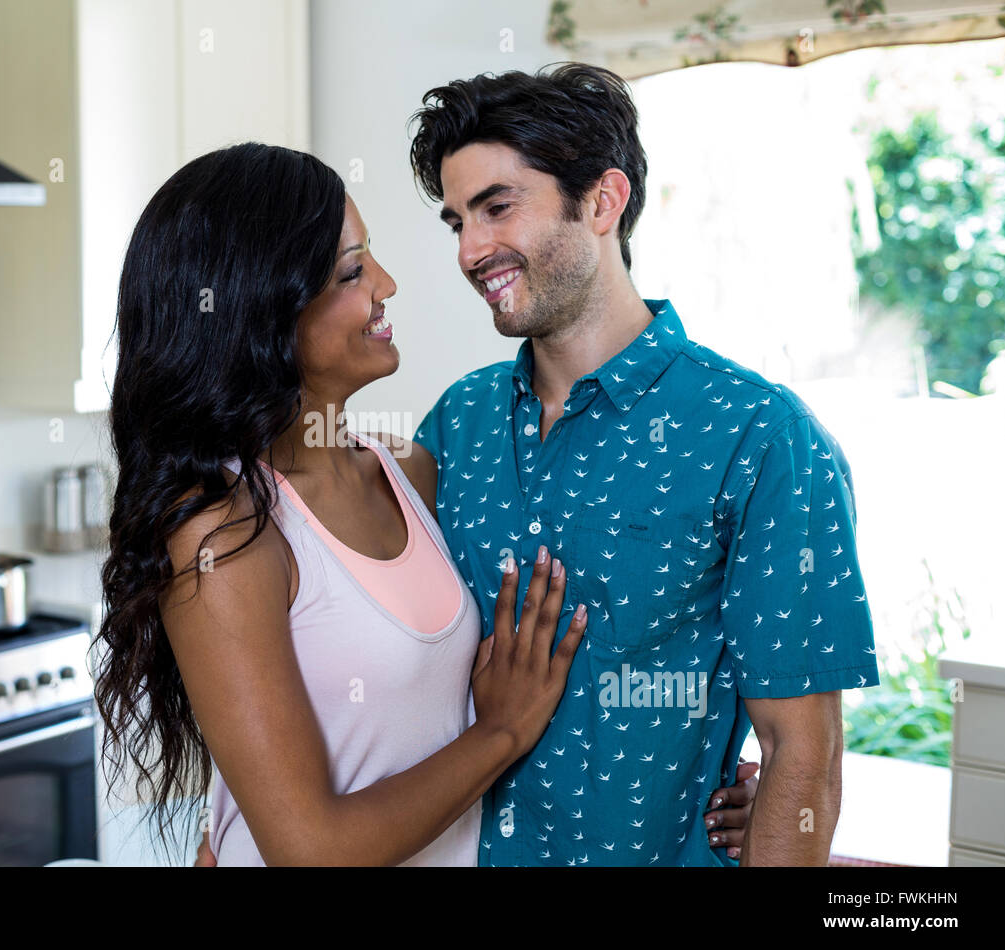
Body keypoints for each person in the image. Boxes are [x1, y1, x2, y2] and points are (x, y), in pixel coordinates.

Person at [93, 141, 757, 867]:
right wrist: (499, 733)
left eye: (368, 256)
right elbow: (310, 849)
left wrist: (705, 783)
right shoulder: (225, 532)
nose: (386, 284)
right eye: (351, 271)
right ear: (261, 316)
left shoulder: (412, 470)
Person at [405, 63, 880, 865]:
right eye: (457, 222)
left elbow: (802, 754)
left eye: (497, 208)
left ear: (602, 201)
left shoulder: (759, 434)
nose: (471, 250)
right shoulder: (458, 422)